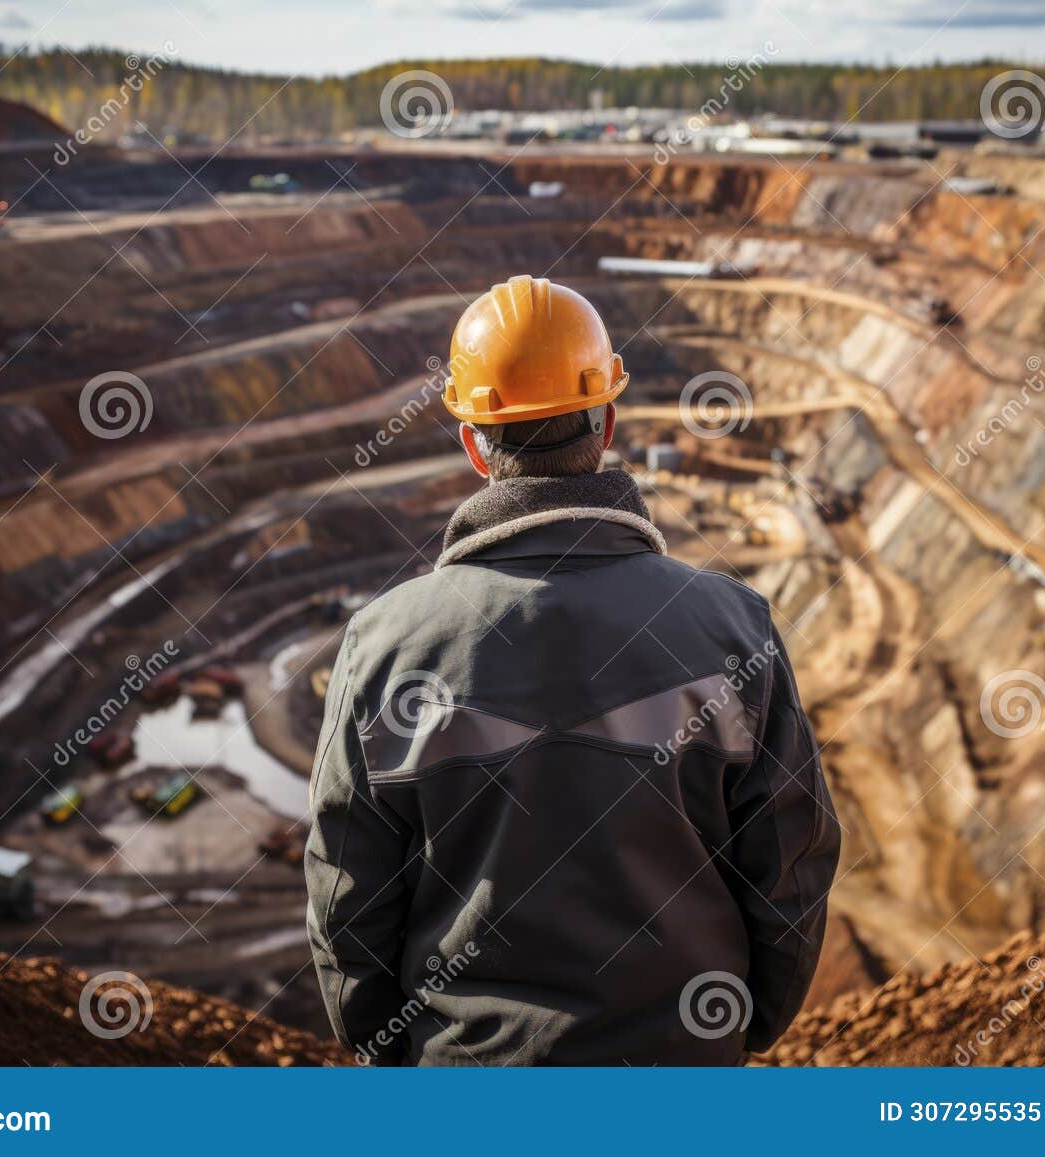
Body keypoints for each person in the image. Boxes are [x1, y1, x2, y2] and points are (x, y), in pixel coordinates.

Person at [305, 275, 840, 1066]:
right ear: (609, 420)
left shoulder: (384, 646)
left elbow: (346, 896)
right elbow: (790, 866)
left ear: (471, 440)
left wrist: (402, 1050)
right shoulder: (731, 626)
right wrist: (733, 1028)